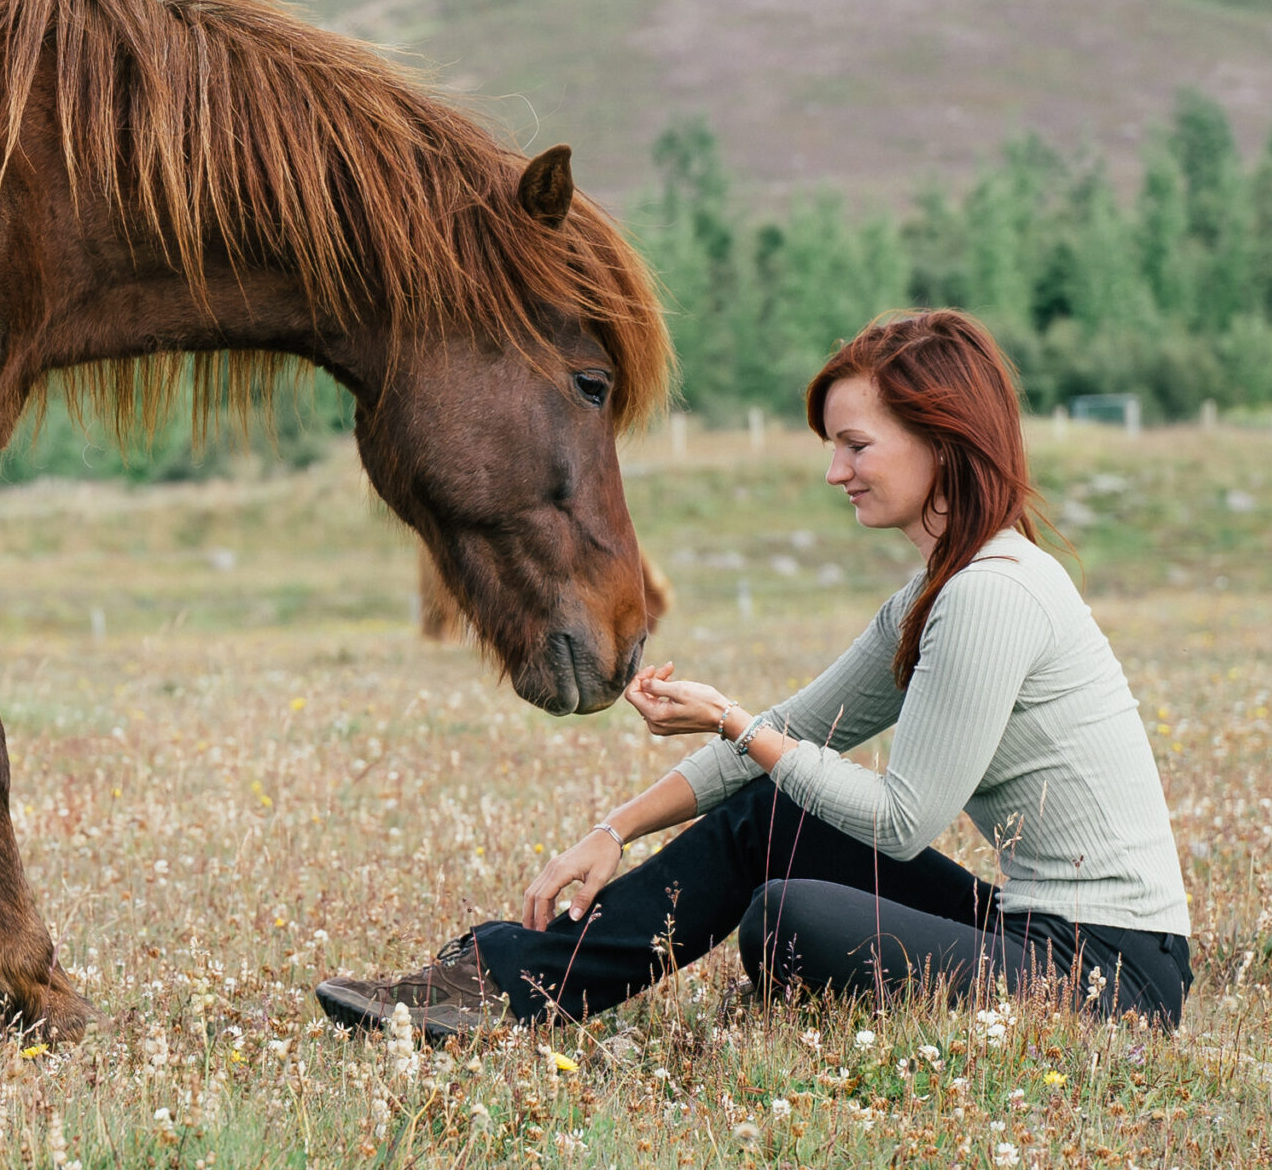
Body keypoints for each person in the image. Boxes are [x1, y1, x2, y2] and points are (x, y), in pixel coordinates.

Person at [316, 310, 1191, 1038]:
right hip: (1029, 932)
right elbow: (795, 733)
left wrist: (735, 720)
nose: (833, 470)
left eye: (855, 444)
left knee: (787, 916)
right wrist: (614, 829)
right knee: (771, 814)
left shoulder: (991, 595)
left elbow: (902, 819)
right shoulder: (938, 590)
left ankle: (516, 993)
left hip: (1110, 981)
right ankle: (514, 980)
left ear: (941, 439)